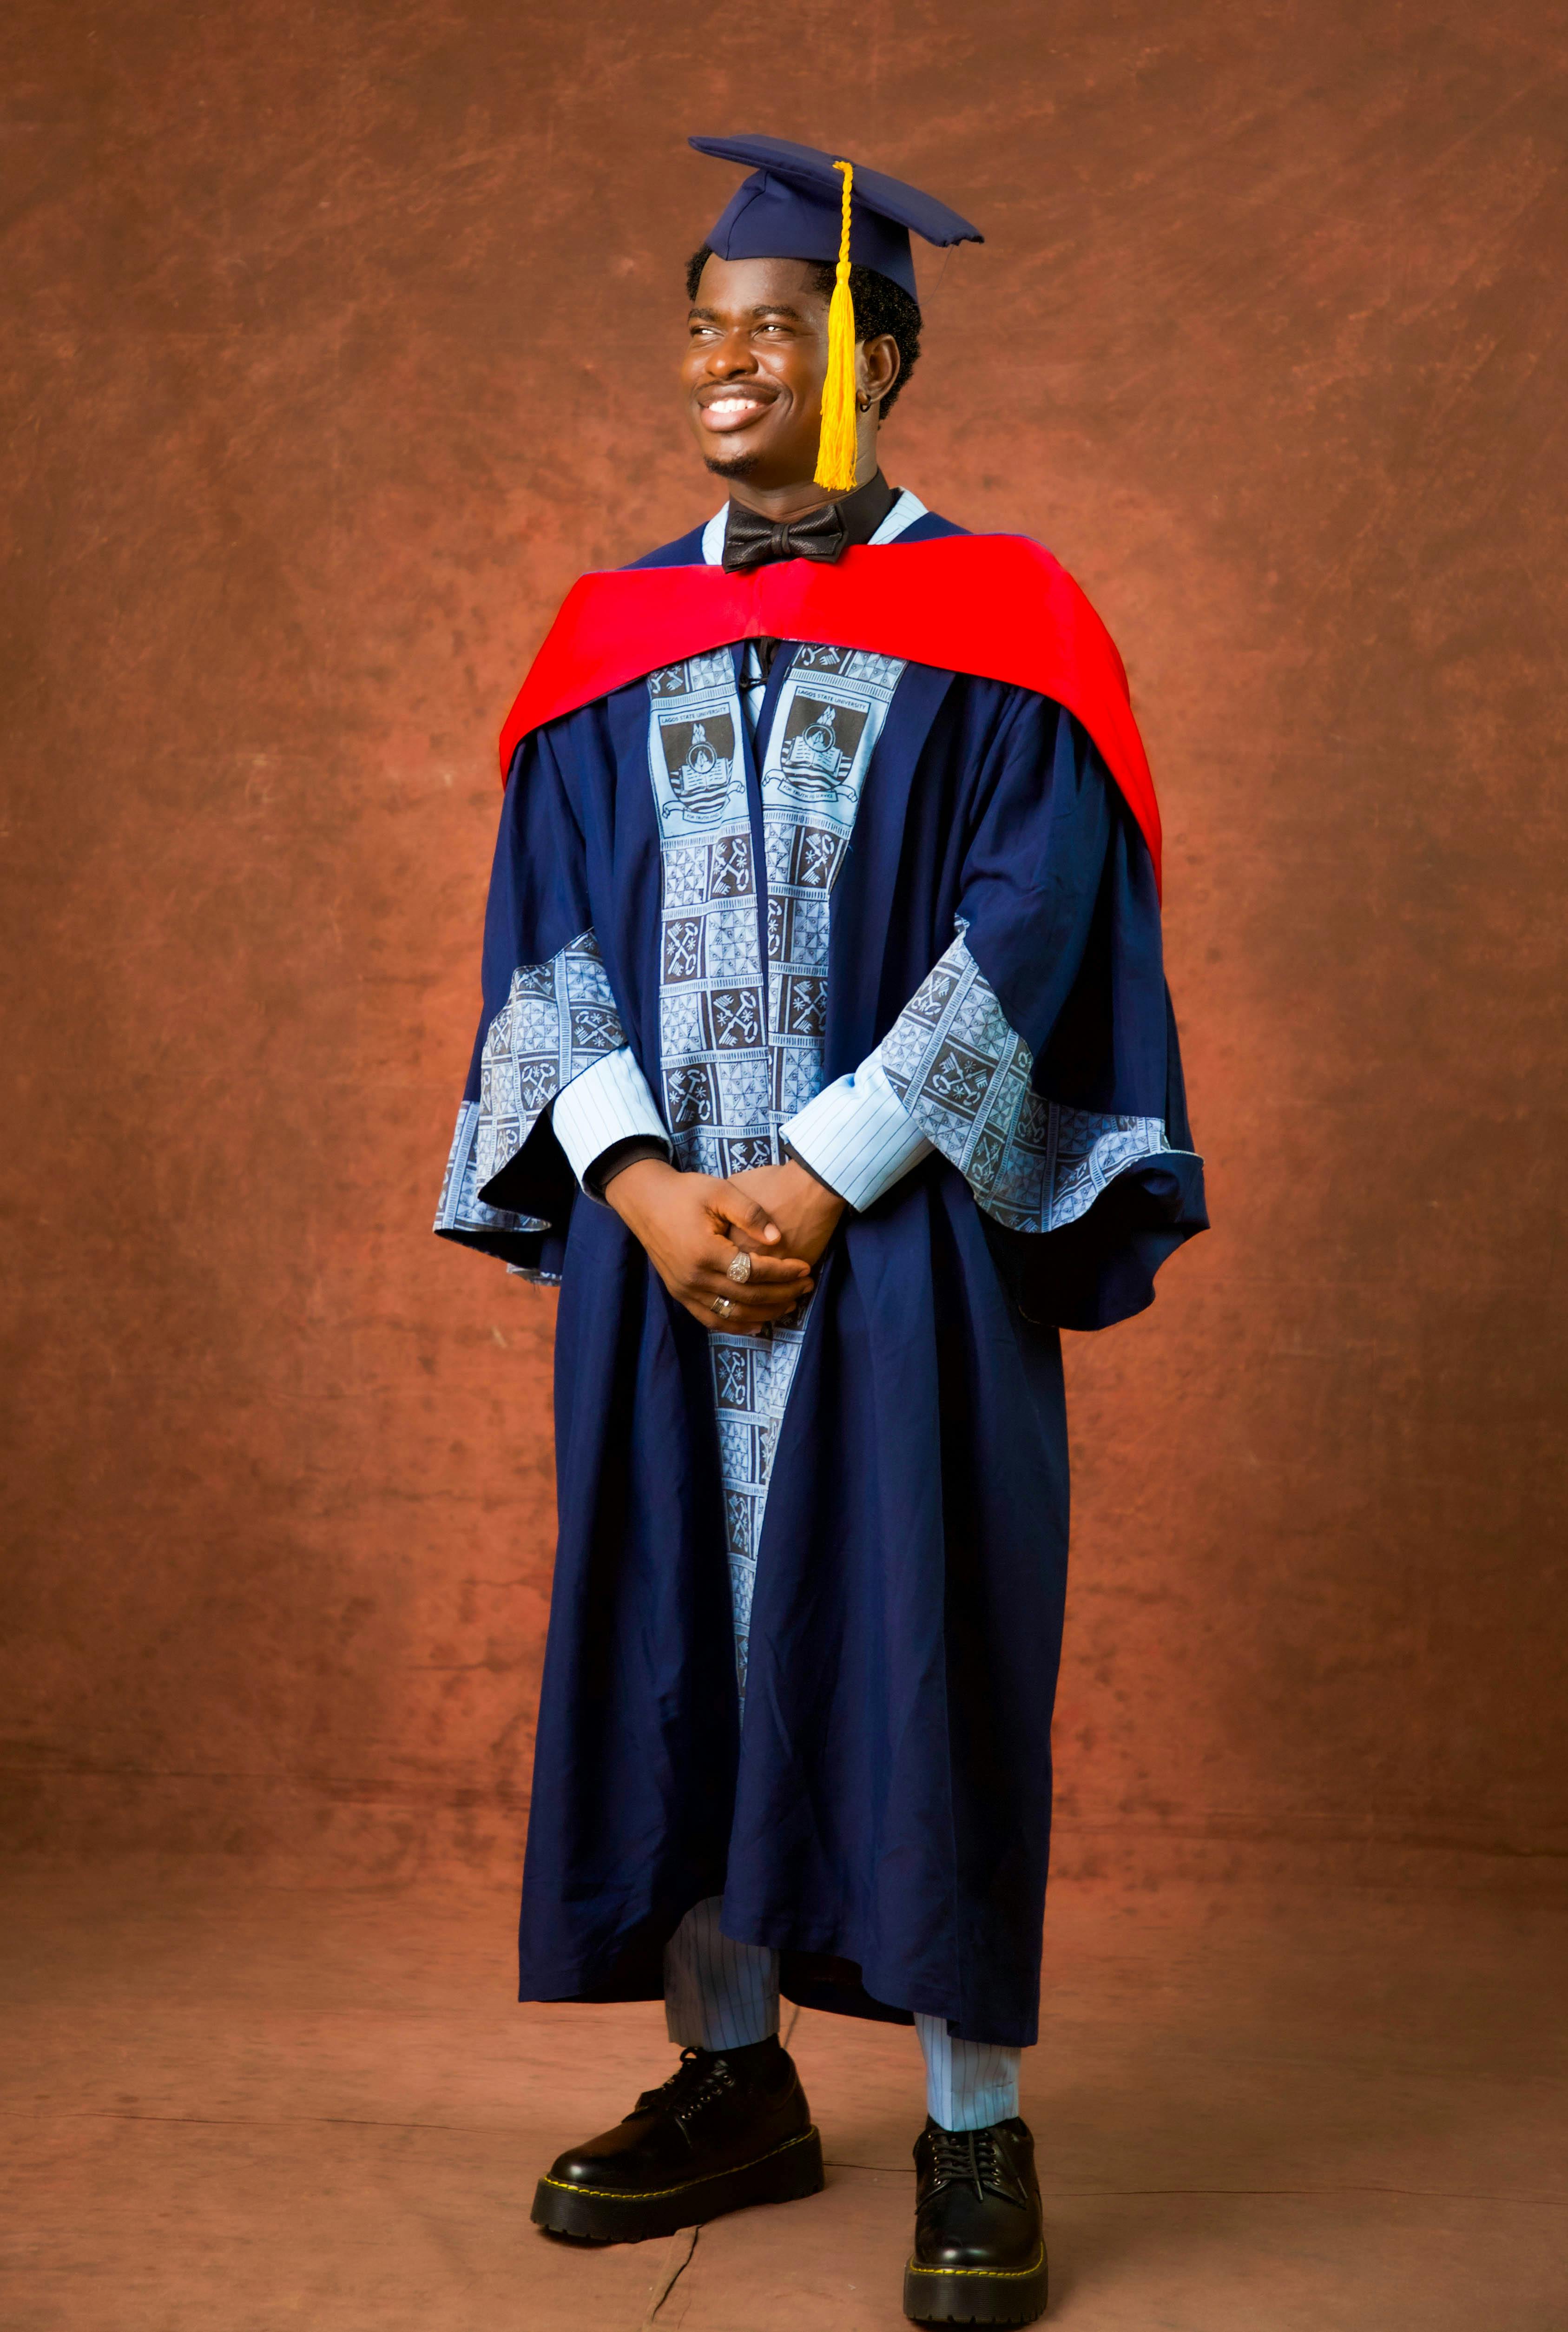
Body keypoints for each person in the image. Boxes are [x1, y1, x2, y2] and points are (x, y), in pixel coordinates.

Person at [435, 131, 1206, 2328]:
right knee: (676, 1633)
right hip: (660, 1259)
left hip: (900, 1253)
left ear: (879, 357)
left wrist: (819, 1172)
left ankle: (970, 2120)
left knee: (920, 1640)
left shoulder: (1009, 625)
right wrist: (642, 1182)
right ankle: (730, 2075)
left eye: (778, 328)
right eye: (706, 326)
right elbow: (543, 939)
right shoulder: (612, 641)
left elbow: (1030, 927)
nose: (729, 361)